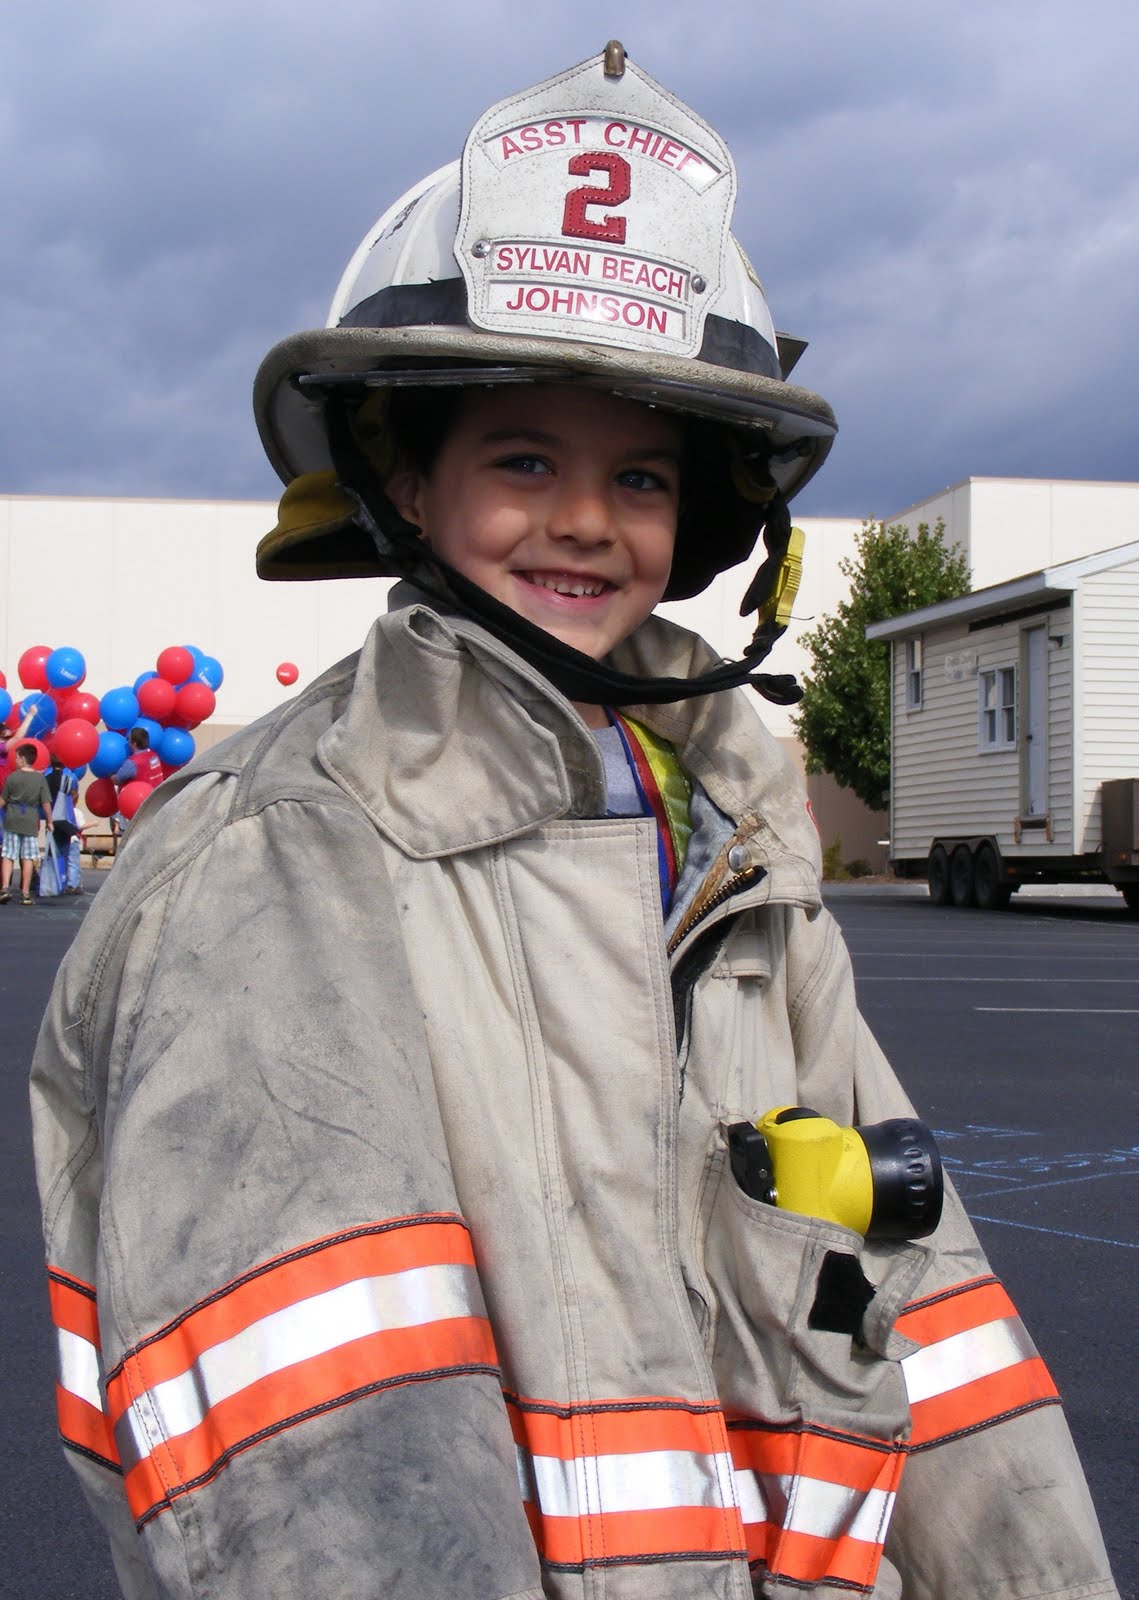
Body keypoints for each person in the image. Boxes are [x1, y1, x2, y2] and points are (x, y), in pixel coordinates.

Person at [30, 44, 1118, 1600]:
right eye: (523, 458)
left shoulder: (729, 839)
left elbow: (920, 1307)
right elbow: (323, 1479)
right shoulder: (278, 854)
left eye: (642, 476)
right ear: (403, 482)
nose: (589, 520)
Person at [1, 742, 52, 905]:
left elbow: (2, 800)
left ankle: (5, 888)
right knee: (28, 857)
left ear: (23, 759)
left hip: (12, 819)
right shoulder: (40, 779)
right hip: (30, 820)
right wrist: (50, 821)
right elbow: (46, 803)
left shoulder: (12, 777)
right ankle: (25, 892)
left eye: (17, 757)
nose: (15, 760)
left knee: (8, 855)